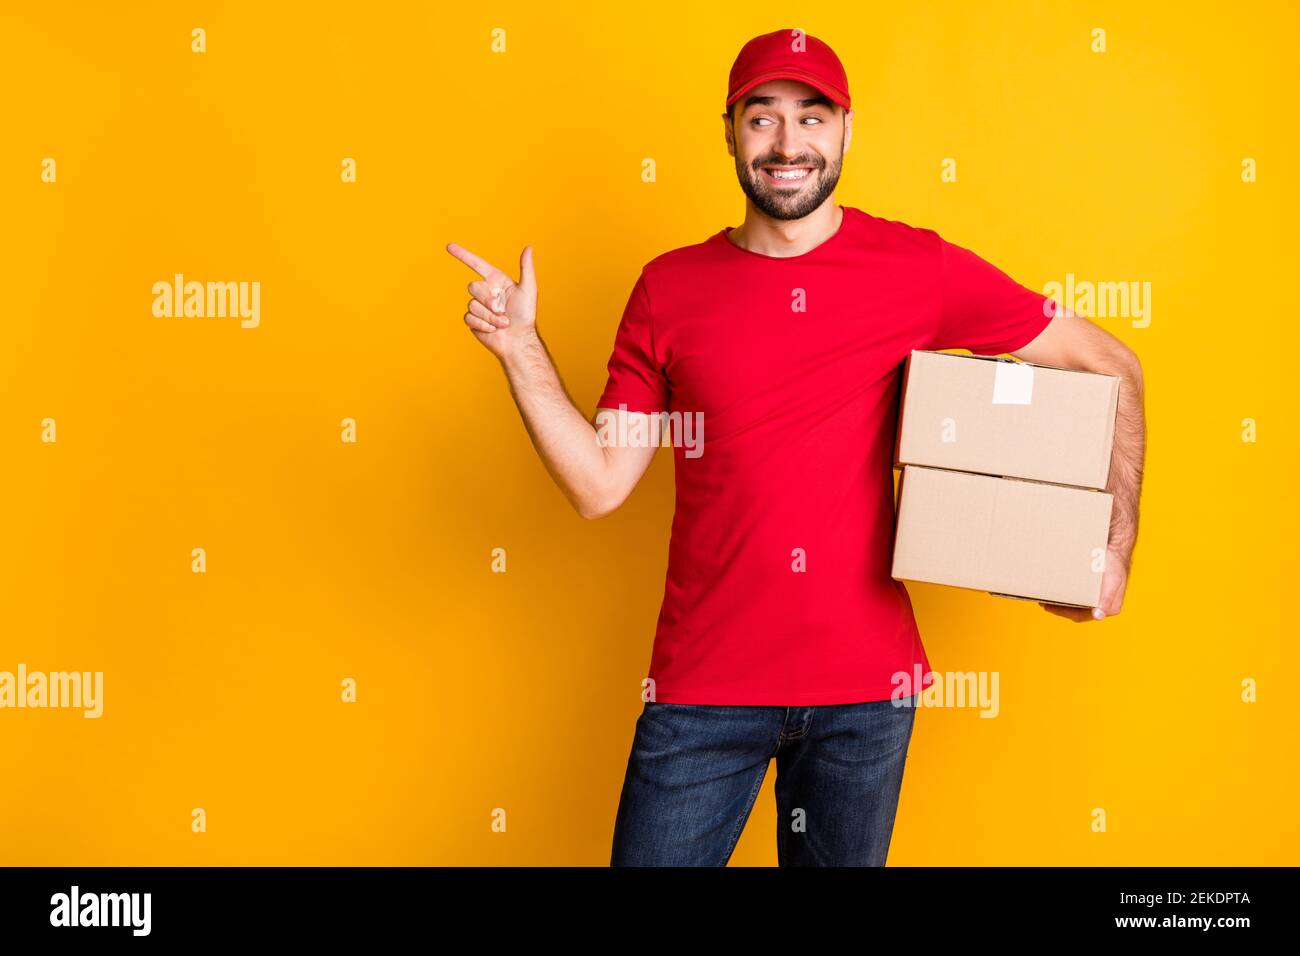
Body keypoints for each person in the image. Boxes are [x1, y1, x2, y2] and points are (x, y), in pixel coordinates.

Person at [446, 28, 1146, 866]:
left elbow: (1109, 362)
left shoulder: (915, 268)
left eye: (812, 119)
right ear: (731, 131)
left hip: (865, 696)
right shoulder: (669, 289)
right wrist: (521, 349)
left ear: (846, 131)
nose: (788, 144)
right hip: (703, 693)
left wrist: (1109, 546)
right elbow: (599, 484)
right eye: (763, 119)